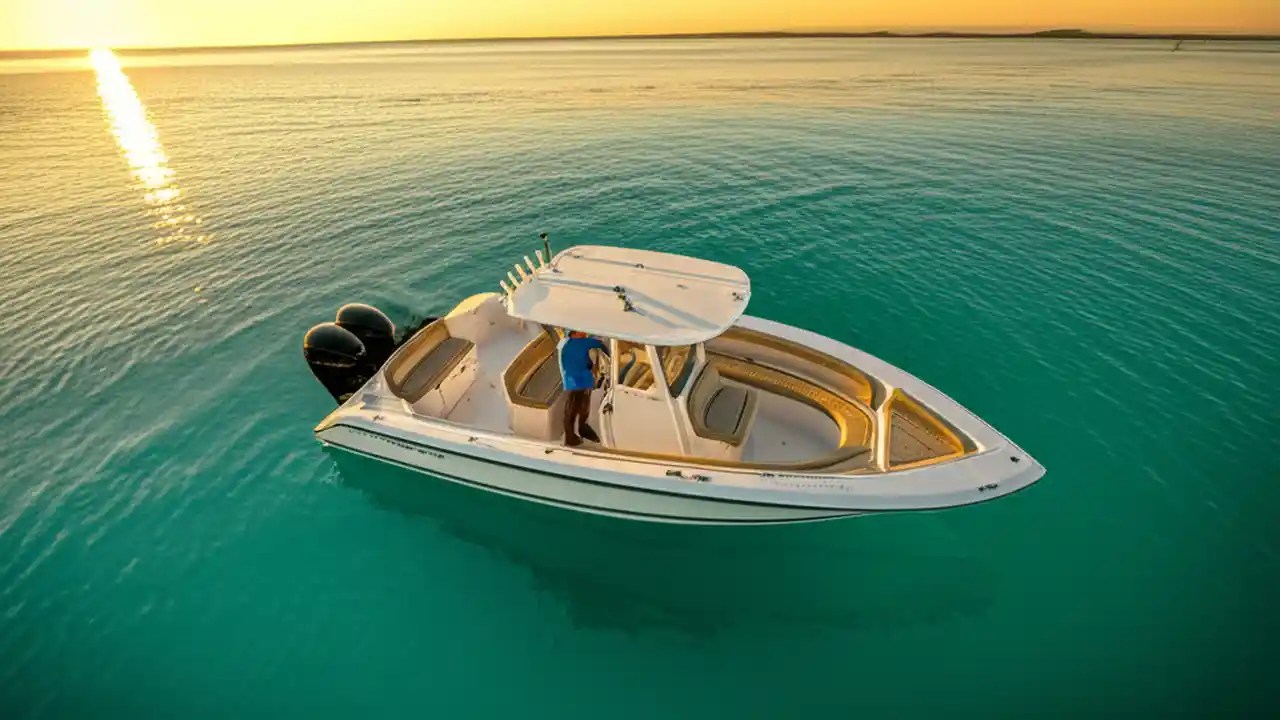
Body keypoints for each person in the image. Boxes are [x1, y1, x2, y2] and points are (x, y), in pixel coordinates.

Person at [557, 330, 608, 446]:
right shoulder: (583, 342)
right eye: (581, 331)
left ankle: (578, 432)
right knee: (574, 410)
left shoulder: (563, 343)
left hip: (576, 382)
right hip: (577, 382)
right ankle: (571, 437)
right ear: (573, 333)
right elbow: (599, 344)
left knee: (578, 409)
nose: (584, 332)